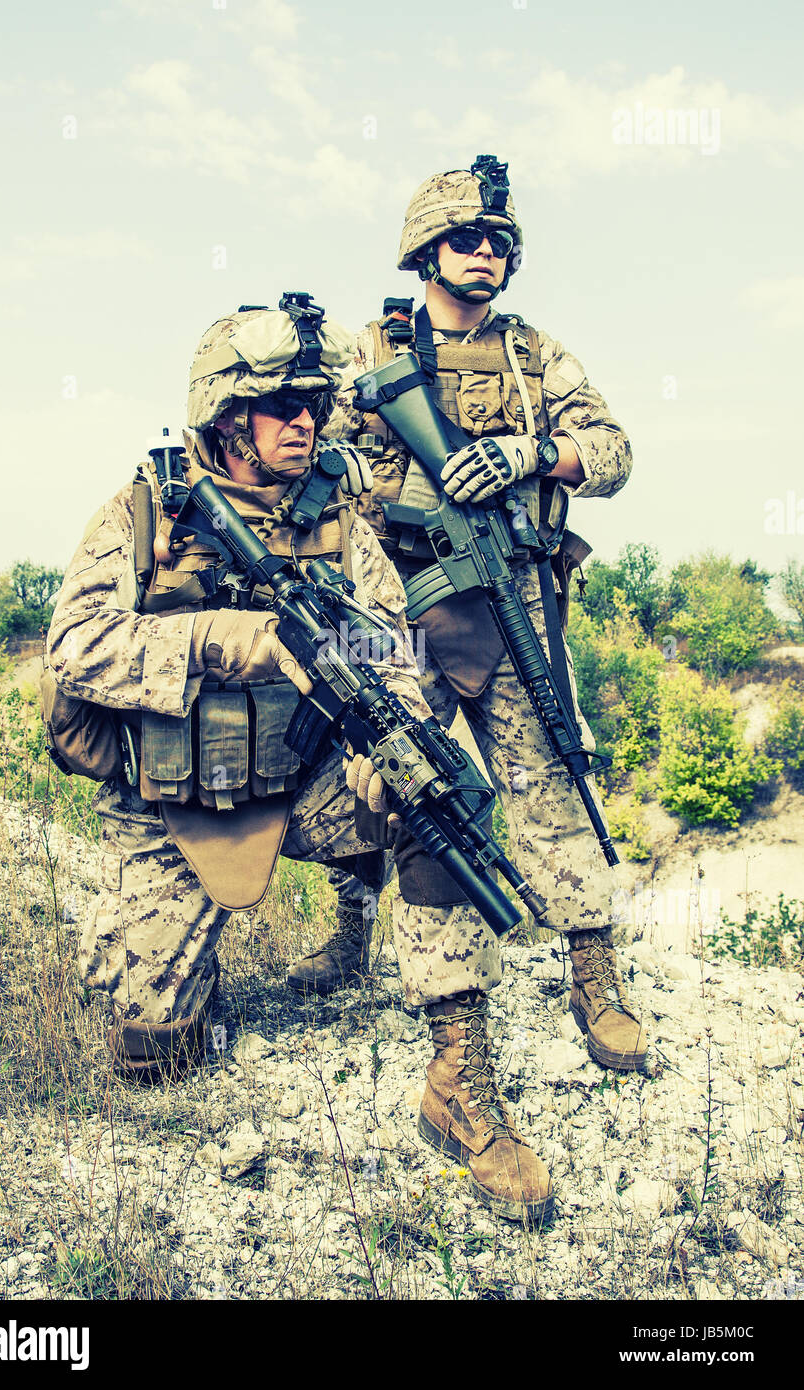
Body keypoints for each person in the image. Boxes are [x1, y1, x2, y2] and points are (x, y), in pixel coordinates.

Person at [45, 294, 555, 1225]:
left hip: (305, 781)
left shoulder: (337, 517)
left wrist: (391, 739)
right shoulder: (143, 513)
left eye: (315, 405)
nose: (308, 422)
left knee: (432, 803)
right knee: (152, 1055)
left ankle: (457, 1077)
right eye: (284, 407)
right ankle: (147, 953)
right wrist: (224, 638)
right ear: (227, 420)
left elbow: (391, 646)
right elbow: (75, 647)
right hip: (173, 803)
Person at [288, 156, 648, 1078]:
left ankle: (593, 975)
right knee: (393, 773)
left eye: (498, 242)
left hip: (508, 598)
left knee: (554, 776)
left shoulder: (534, 357)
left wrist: (535, 453)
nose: (483, 253)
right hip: (380, 605)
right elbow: (293, 455)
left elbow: (613, 452)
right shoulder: (363, 355)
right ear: (424, 251)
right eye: (464, 238)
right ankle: (353, 932)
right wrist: (378, 482)